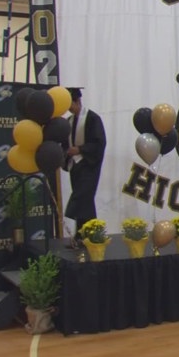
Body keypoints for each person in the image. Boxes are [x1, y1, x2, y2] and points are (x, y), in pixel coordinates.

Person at [63, 87, 106, 246]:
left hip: (89, 165)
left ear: (78, 101)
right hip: (75, 166)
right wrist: (66, 153)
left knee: (82, 197)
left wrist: (80, 149)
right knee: (86, 202)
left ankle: (82, 232)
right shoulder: (68, 122)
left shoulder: (92, 119)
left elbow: (99, 143)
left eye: (70, 105)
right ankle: (87, 236)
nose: (69, 109)